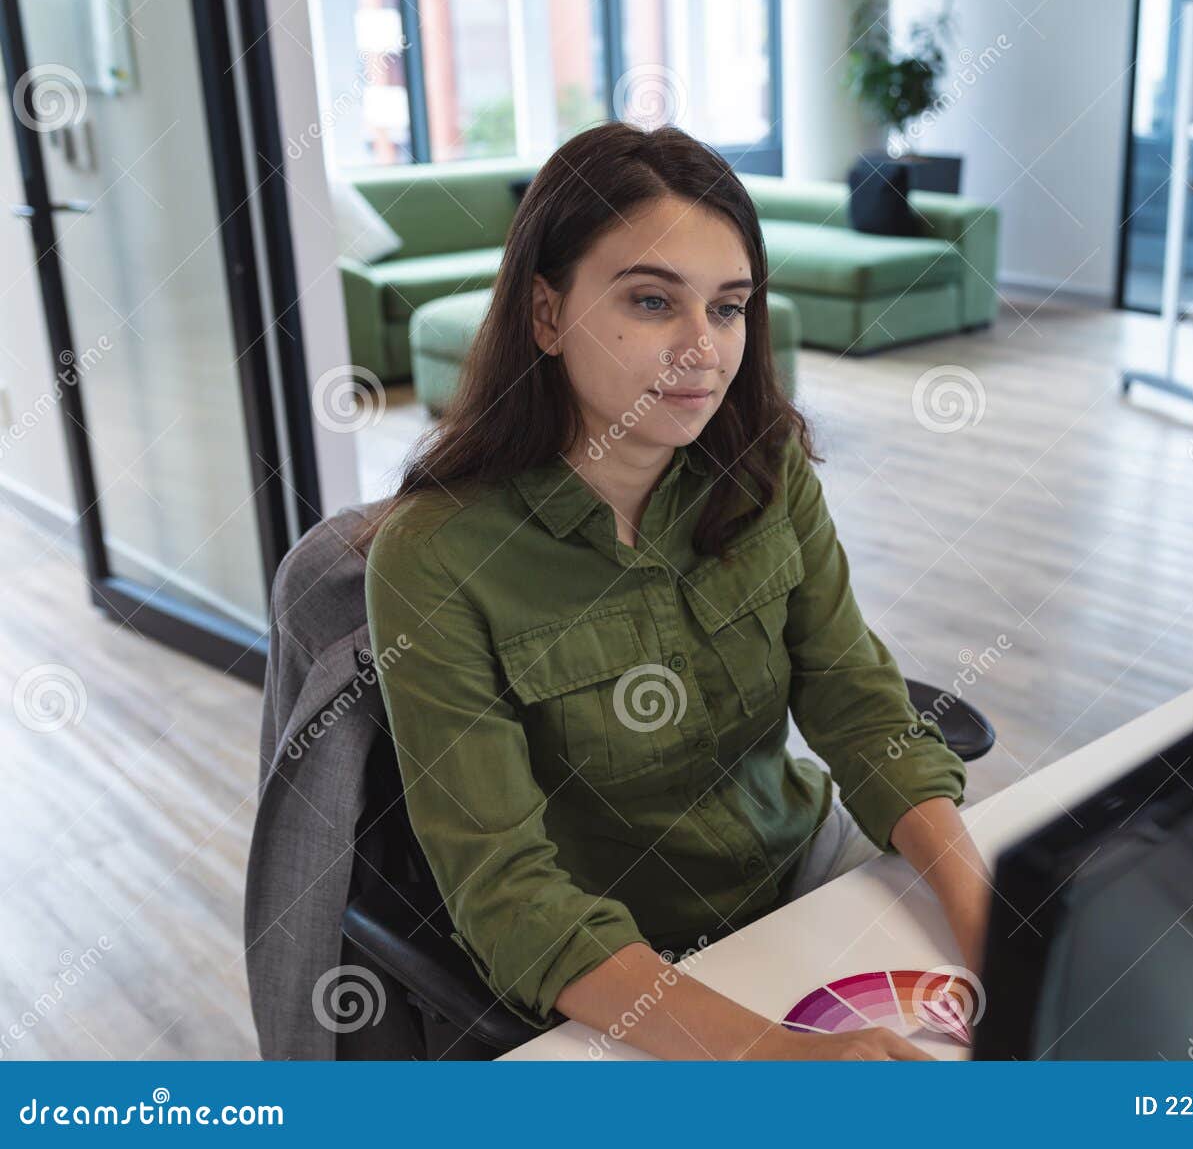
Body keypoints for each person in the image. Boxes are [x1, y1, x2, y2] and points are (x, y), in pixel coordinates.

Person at [361, 121, 991, 1060]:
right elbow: (506, 890)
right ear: (545, 313)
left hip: (801, 865)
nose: (704, 348)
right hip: (624, 964)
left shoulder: (766, 461)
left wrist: (994, 919)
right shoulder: (437, 555)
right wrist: (778, 1059)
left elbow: (858, 703)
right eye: (654, 302)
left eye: (729, 307)